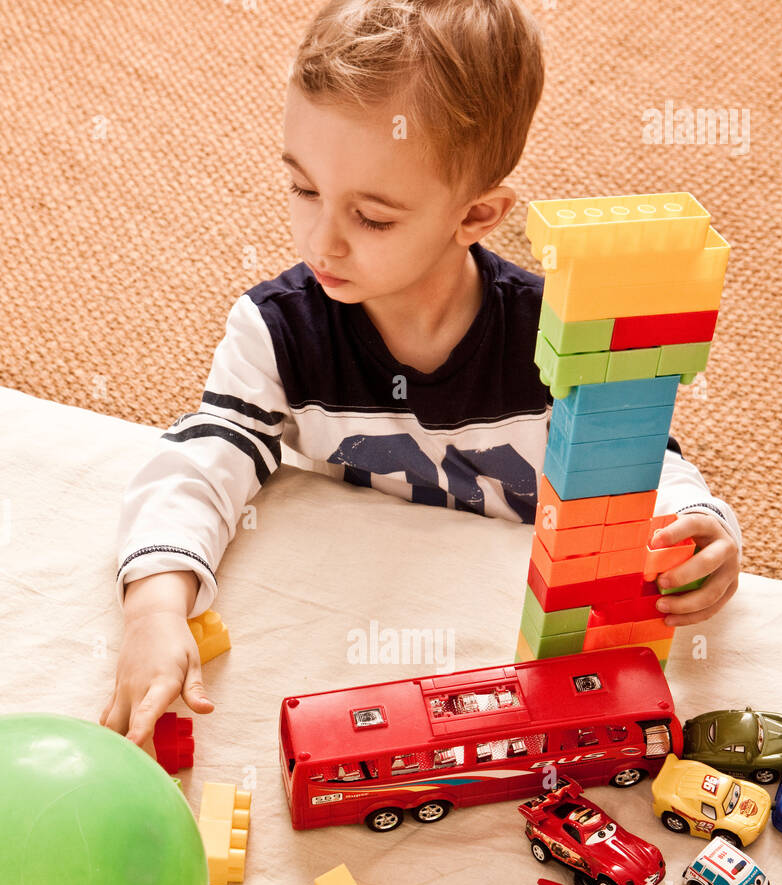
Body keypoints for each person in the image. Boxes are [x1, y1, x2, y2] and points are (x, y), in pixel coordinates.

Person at [102, 0, 741, 751]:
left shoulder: (558, 336)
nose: (321, 240)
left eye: (372, 217)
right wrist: (153, 606)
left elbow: (645, 463)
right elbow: (202, 458)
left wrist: (700, 532)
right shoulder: (276, 331)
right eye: (303, 189)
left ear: (475, 216)